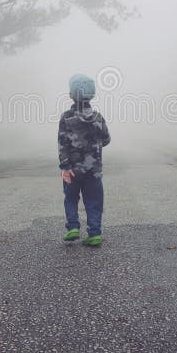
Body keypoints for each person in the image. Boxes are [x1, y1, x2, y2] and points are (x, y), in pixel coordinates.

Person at [58, 73, 111, 246]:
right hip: (93, 170)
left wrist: (65, 166)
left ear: (71, 95)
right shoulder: (98, 118)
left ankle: (73, 227)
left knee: (71, 198)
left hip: (72, 170)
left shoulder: (66, 118)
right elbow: (107, 139)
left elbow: (62, 143)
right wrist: (94, 147)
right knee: (94, 201)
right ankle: (94, 233)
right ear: (92, 95)